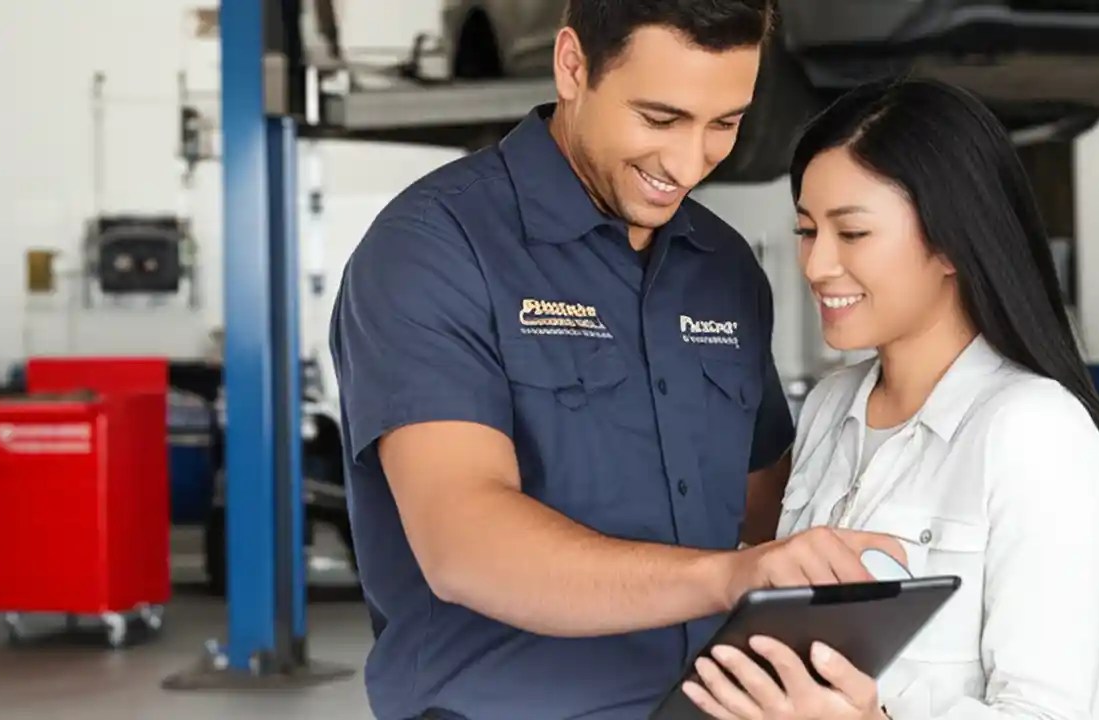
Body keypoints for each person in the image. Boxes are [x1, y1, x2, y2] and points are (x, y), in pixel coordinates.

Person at [329, 3, 904, 718]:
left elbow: (773, 508)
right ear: (573, 65)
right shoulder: (435, 250)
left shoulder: (722, 268)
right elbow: (464, 543)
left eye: (724, 123)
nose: (688, 162)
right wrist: (731, 577)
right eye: (660, 119)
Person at [682, 78, 1099, 720]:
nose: (816, 265)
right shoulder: (828, 407)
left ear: (951, 242)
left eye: (853, 234)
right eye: (807, 230)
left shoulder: (1037, 433)